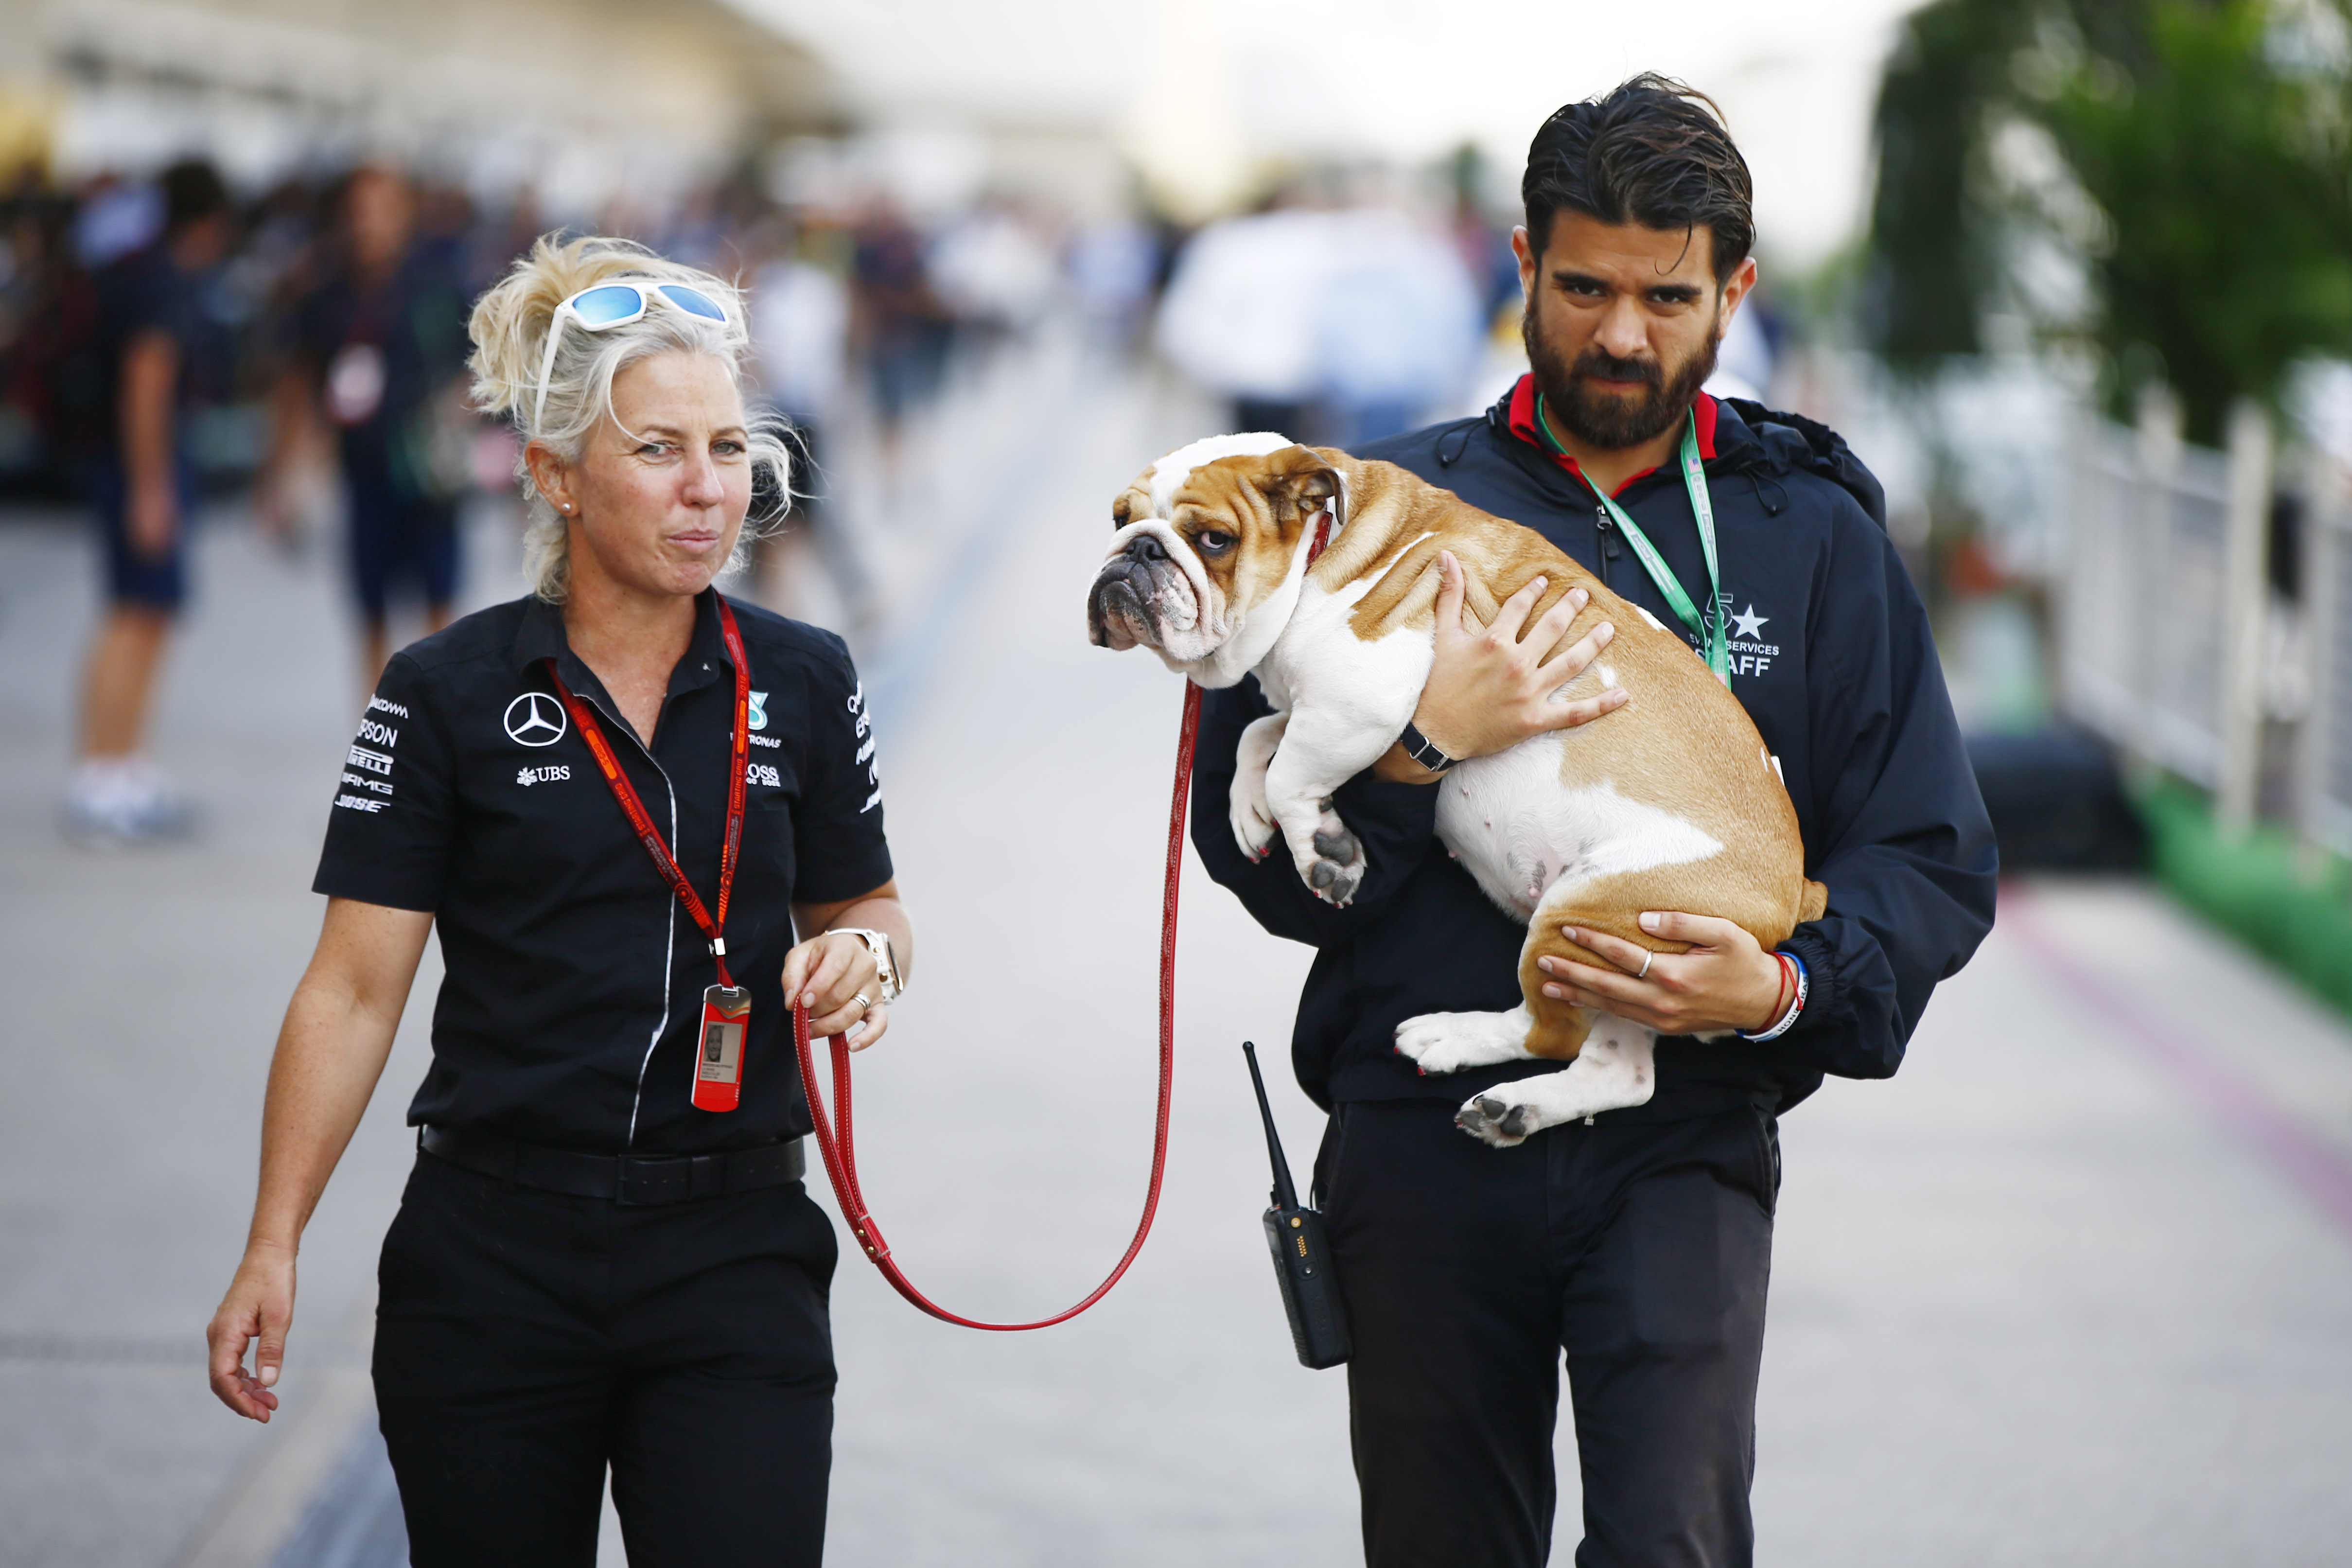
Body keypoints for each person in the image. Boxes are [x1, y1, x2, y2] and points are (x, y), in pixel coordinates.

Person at [1190, 76, 1997, 1567]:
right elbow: (1250, 856)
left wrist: (1783, 987)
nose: (1621, 334)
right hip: (1414, 1130)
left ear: (1733, 291)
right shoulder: (1374, 506)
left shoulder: (1811, 531)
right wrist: (1420, 749)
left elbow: (1925, 855)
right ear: (1521, 265)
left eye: (1665, 297)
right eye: (1581, 289)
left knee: (1673, 1544)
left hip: (1681, 1136)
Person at [206, 234, 910, 1568]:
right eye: (658, 450)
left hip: (735, 1254)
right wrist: (272, 1241)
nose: (707, 487)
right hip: (491, 1259)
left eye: (728, 446)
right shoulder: (444, 691)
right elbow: (351, 990)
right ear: (554, 476)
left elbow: (865, 903)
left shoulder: (806, 676)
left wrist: (866, 960)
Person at [61, 159, 234, 845]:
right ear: (211, 221)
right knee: (134, 618)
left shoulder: (136, 271)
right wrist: (151, 488)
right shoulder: (163, 285)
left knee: (141, 616)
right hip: (142, 468)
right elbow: (146, 386)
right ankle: (102, 775)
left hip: (126, 465)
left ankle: (120, 765)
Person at [261, 165, 476, 686]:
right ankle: (381, 728)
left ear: (406, 215)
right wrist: (283, 475)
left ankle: (439, 727)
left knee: (440, 610)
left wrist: (455, 415)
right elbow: (298, 382)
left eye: (381, 211)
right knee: (370, 613)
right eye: (358, 212)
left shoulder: (438, 284)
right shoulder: (326, 293)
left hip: (429, 478)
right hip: (364, 475)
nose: (368, 224)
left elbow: (478, 366)